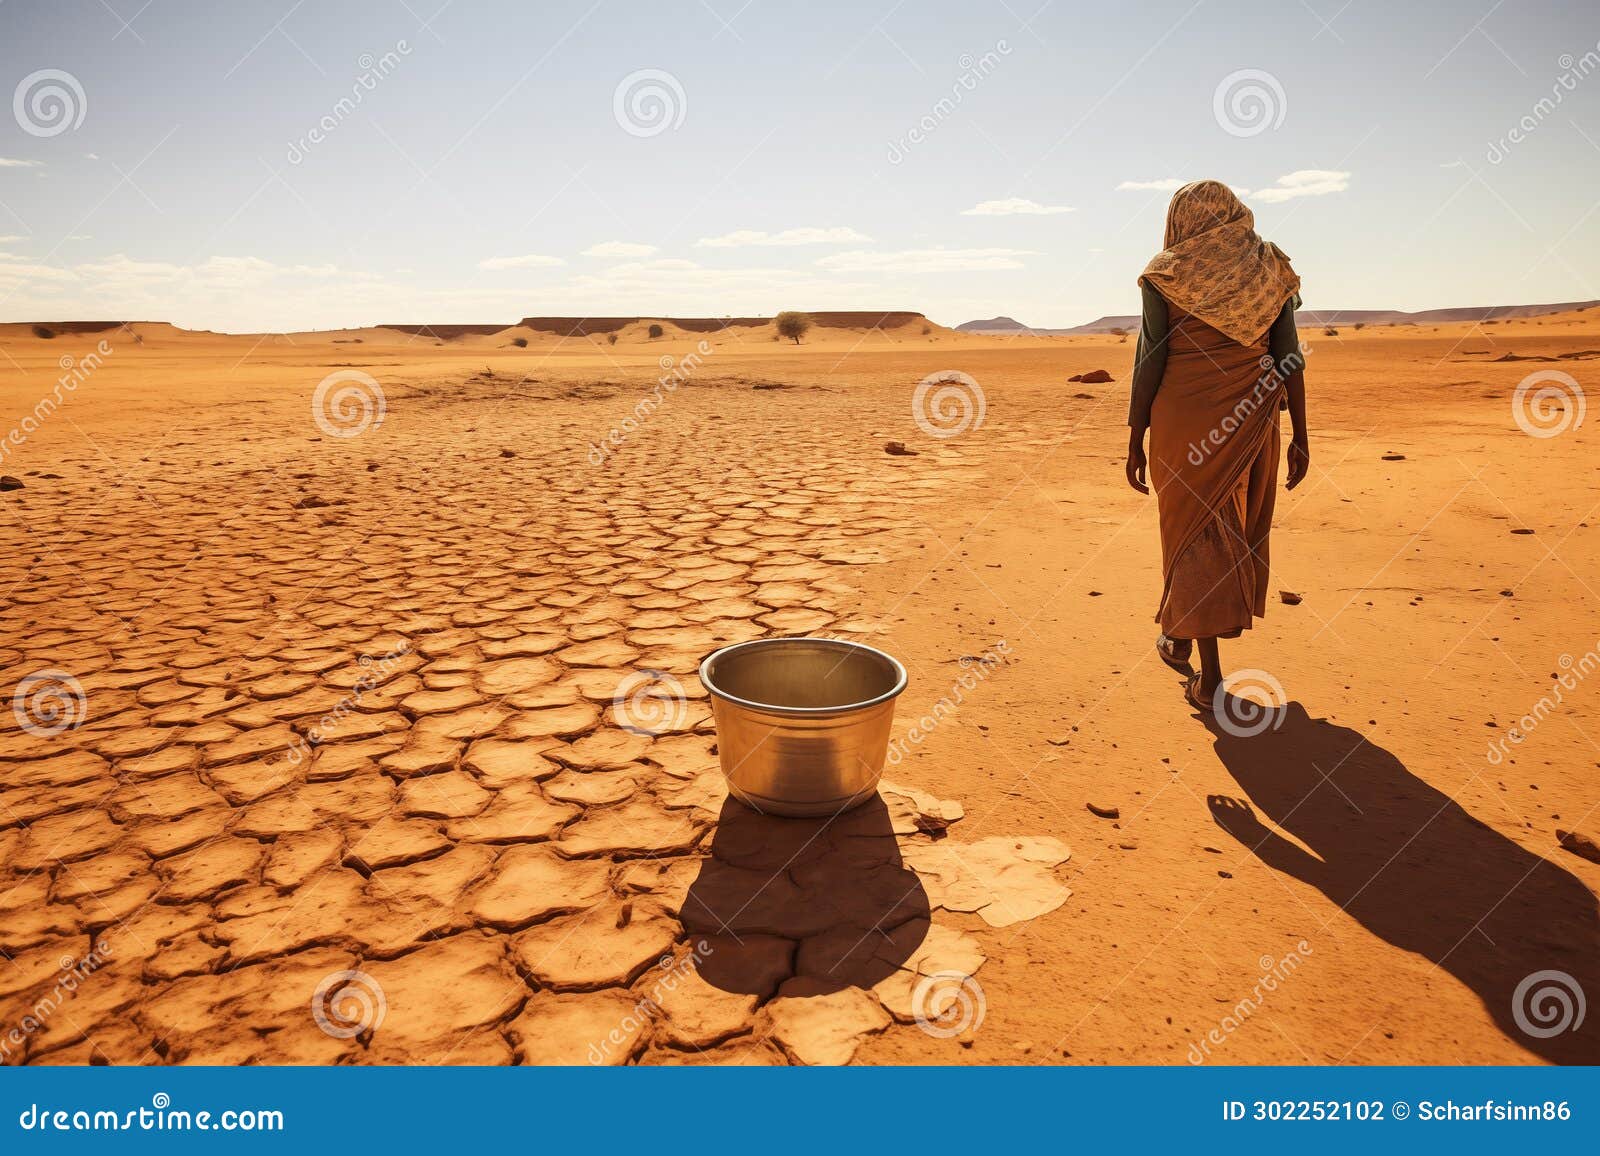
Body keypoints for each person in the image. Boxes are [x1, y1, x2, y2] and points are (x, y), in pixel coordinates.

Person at [1123, 180, 1310, 711]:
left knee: (1193, 528)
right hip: (1252, 419)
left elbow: (1150, 359)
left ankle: (1209, 681)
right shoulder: (1269, 267)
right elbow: (1290, 356)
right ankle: (1180, 634)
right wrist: (1301, 433)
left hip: (1184, 423)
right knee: (1224, 524)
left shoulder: (1167, 273)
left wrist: (1135, 436)